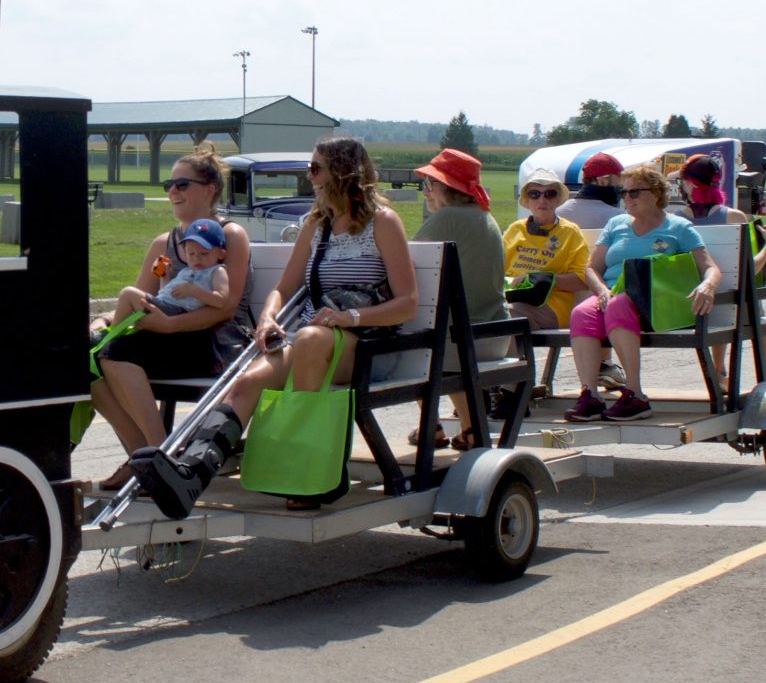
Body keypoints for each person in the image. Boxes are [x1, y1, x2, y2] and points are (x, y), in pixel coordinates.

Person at [131, 136, 416, 516]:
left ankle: (310, 472)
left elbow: (407, 303)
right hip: (310, 339)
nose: (308, 177)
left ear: (344, 173)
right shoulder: (317, 224)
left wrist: (350, 318)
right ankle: (193, 473)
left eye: (315, 168)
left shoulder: (382, 222)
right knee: (247, 381)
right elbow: (284, 287)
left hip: (365, 342)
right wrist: (267, 319)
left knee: (313, 340)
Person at [89, 145, 252, 487]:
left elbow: (224, 306)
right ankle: (144, 458)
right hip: (165, 338)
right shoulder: (163, 244)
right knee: (85, 359)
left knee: (115, 353)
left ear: (209, 190)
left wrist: (169, 324)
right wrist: (105, 319)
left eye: (182, 184)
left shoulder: (229, 235)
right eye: (169, 184)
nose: (172, 192)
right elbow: (140, 297)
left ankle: (160, 455)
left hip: (211, 342)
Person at [562, 162, 721, 423]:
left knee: (618, 305)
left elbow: (710, 267)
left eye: (634, 192)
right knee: (581, 312)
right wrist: (601, 289)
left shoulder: (678, 228)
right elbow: (591, 269)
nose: (627, 198)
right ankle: (590, 394)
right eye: (624, 193)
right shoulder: (616, 224)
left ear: (656, 193)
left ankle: (635, 394)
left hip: (655, 300)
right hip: (612, 295)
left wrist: (707, 286)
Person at [412, 148, 510, 449]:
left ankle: (444, 427)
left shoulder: (449, 218)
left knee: (401, 336)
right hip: (493, 331)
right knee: (435, 329)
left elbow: (406, 263)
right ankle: (454, 428)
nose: (427, 192)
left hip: (463, 339)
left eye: (430, 184)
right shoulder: (483, 216)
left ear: (447, 187)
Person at [503, 173, 609, 332]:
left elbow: (582, 281)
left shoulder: (569, 232)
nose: (542, 200)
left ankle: (517, 357)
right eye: (534, 194)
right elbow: (495, 270)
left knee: (505, 315)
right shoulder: (515, 229)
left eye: (549, 194)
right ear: (527, 200)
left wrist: (542, 279)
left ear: (557, 199)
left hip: (551, 306)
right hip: (510, 299)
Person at [115, 218, 231, 321]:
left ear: (221, 254)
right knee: (130, 298)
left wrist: (193, 290)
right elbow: (166, 293)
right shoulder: (186, 271)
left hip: (178, 312)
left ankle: (114, 335)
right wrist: (165, 277)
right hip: (165, 306)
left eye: (204, 253)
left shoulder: (217, 271)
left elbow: (221, 301)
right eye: (191, 253)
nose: (197, 258)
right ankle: (114, 329)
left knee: (128, 293)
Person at [557, 152, 625, 230]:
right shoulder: (618, 217)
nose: (620, 188)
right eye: (619, 182)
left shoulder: (557, 213)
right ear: (603, 181)